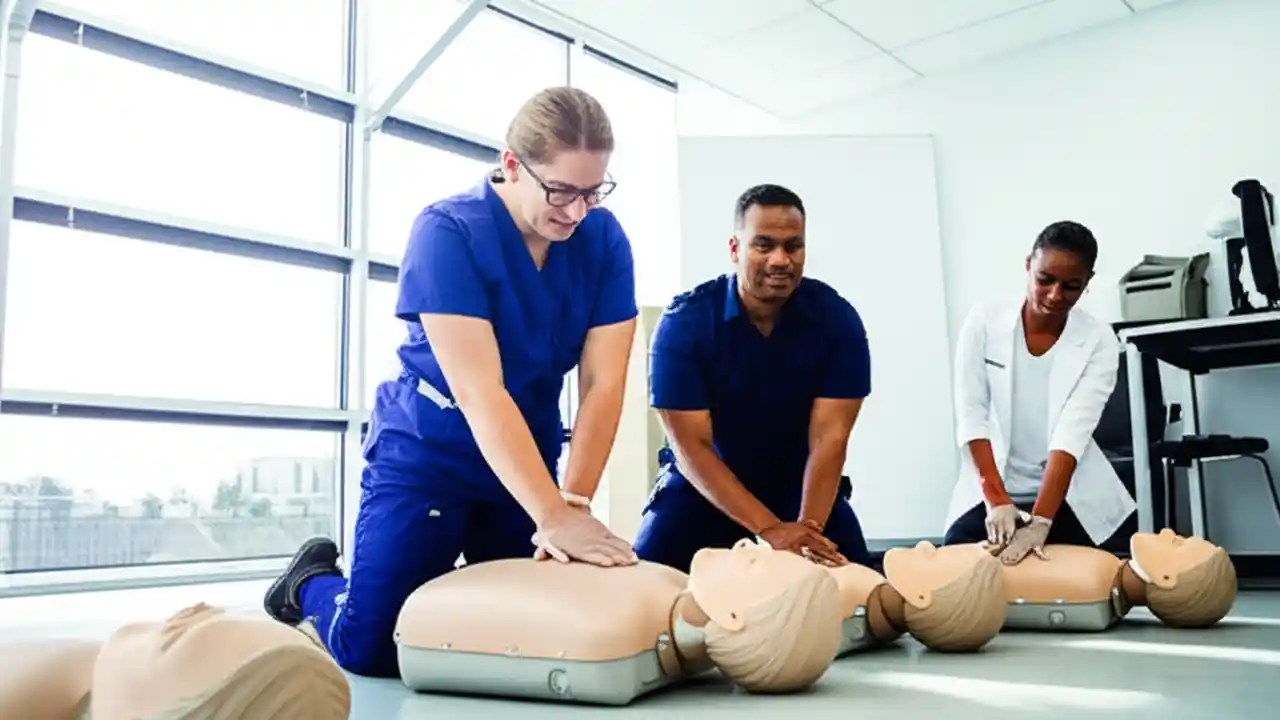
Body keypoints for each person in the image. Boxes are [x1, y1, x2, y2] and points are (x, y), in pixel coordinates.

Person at [263, 86, 641, 678]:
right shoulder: (447, 232)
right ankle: (311, 583)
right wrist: (552, 515)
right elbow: (480, 390)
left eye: (593, 191)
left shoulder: (604, 239)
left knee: (535, 630)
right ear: (512, 165)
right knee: (374, 649)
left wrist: (572, 503)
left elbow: (604, 383)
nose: (577, 212)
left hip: (527, 462)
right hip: (427, 452)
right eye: (562, 191)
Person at [633, 183, 872, 573]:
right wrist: (770, 530)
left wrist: (806, 533)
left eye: (793, 246)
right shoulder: (685, 324)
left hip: (799, 489)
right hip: (701, 488)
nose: (780, 259)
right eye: (763, 245)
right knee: (647, 585)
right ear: (735, 249)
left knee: (863, 593)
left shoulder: (836, 320)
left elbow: (830, 438)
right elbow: (691, 446)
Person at [944, 220, 1137, 565]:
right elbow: (972, 416)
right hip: (993, 493)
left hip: (1067, 497)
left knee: (1088, 578)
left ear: (1087, 283)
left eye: (1071, 286)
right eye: (1045, 279)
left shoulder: (1099, 340)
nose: (1054, 295)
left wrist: (1041, 521)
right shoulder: (984, 321)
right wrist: (997, 500)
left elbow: (1072, 433)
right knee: (958, 572)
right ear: (1028, 264)